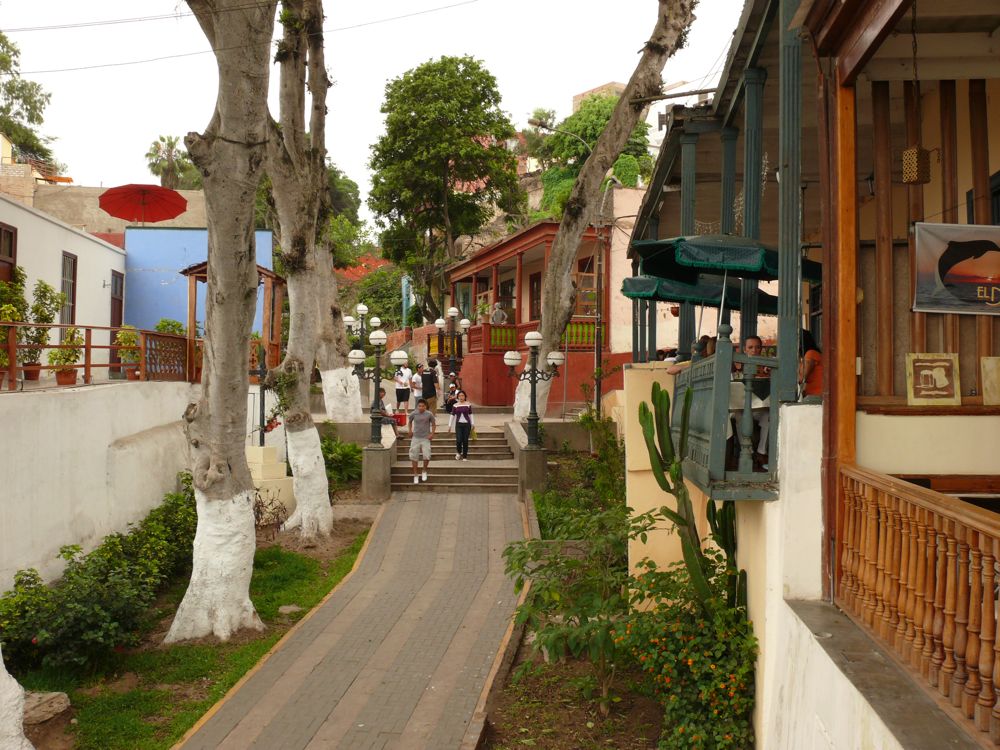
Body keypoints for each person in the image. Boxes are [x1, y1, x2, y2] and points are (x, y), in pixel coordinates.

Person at [740, 335, 771, 469]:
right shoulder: (738, 364)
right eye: (750, 347)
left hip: (759, 407)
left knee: (768, 418)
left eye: (757, 347)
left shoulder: (767, 365)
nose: (754, 350)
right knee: (738, 417)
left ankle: (761, 452)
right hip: (742, 407)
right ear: (745, 350)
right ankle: (747, 453)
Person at [408, 398, 436, 484]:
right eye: (419, 406)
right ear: (417, 406)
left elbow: (434, 424)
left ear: (426, 406)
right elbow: (409, 422)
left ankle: (424, 471)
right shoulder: (413, 413)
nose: (421, 407)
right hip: (415, 437)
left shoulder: (429, 414)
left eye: (423, 406)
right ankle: (415, 474)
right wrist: (410, 430)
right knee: (414, 456)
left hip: (425, 438)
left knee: (427, 455)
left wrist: (432, 433)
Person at [448, 390, 474, 460]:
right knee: (459, 440)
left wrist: (473, 424)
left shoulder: (468, 404)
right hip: (458, 425)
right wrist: (449, 425)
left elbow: (471, 414)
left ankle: (465, 457)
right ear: (457, 397)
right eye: (459, 396)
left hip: (467, 425)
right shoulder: (455, 405)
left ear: (465, 397)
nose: (461, 397)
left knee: (465, 440)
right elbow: (452, 415)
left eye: (462, 395)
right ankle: (459, 452)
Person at [799, 330, 823, 397]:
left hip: (817, 396)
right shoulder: (808, 355)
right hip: (812, 395)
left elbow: (801, 378)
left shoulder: (811, 354)